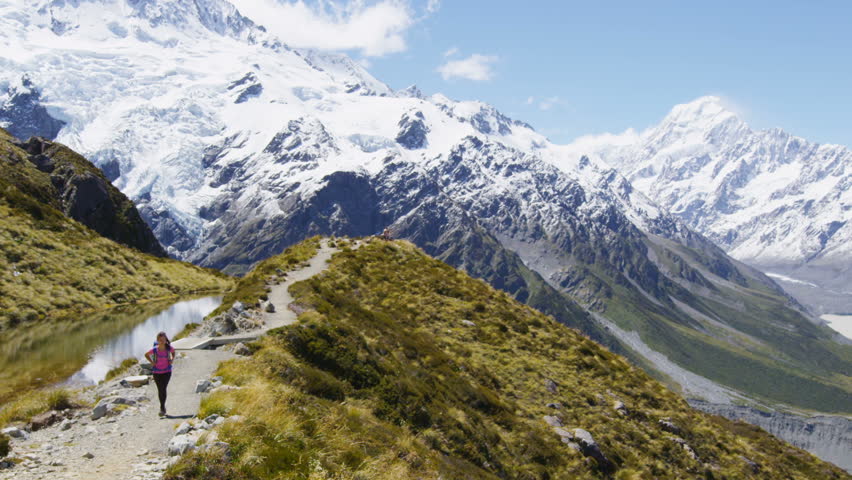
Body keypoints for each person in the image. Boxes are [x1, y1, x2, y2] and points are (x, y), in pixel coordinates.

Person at [145, 331, 175, 417]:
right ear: (157, 340)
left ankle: (162, 408)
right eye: (160, 340)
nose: (162, 341)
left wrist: (172, 359)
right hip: (157, 372)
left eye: (163, 339)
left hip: (167, 371)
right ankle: (162, 407)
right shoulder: (154, 349)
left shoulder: (169, 348)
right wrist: (152, 362)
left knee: (163, 388)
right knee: (160, 389)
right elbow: (146, 354)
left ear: (166, 340)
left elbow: (173, 352)